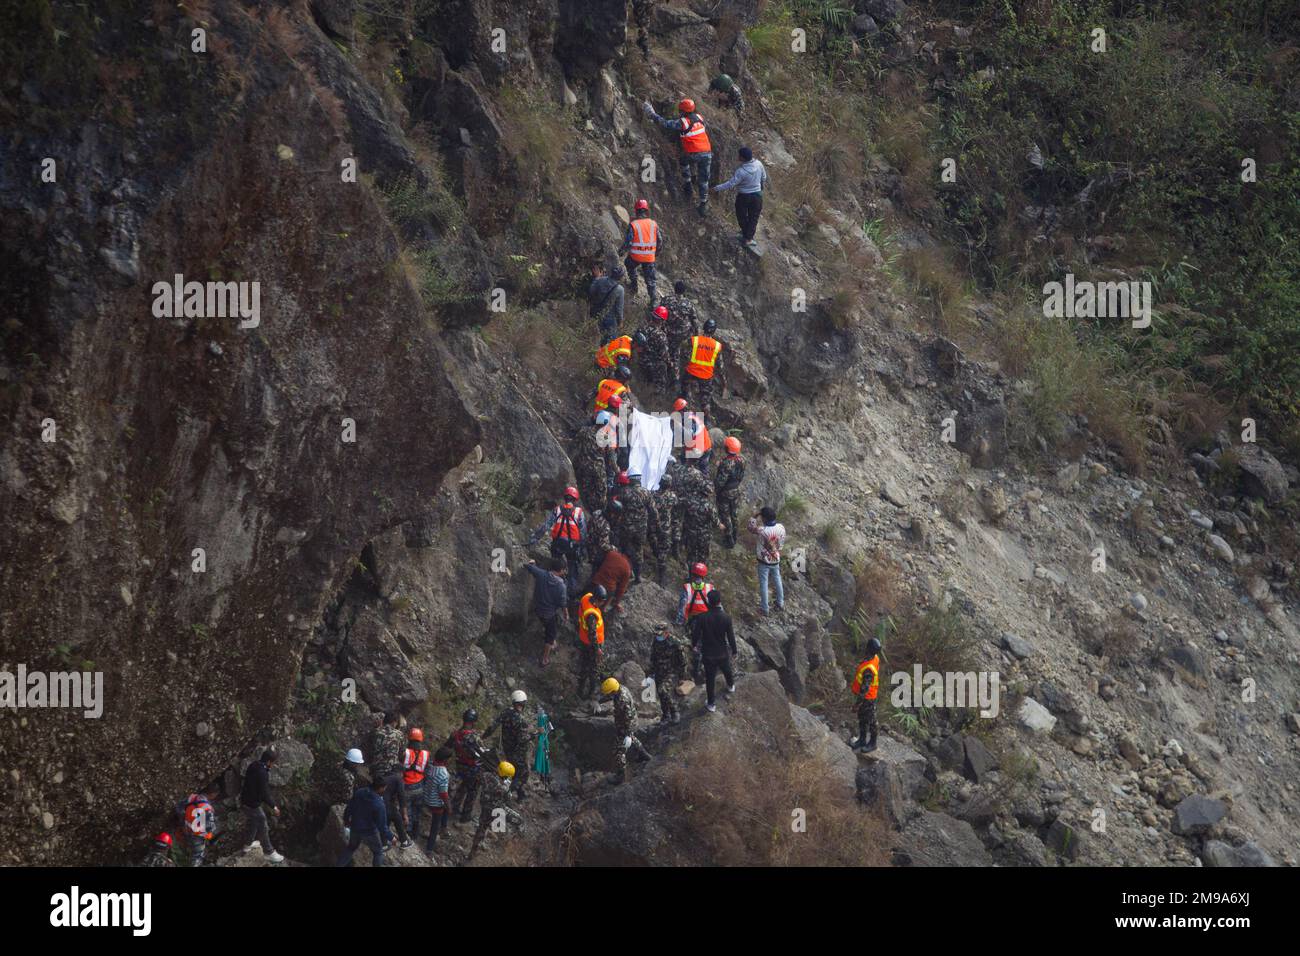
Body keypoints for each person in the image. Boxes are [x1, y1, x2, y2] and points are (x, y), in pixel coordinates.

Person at [643, 98, 713, 216]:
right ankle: (703, 204)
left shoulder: (683, 122)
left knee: (683, 161)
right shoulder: (700, 118)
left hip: (694, 153)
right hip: (707, 153)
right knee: (704, 180)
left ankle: (688, 184)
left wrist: (653, 114)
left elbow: (666, 124)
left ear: (683, 111)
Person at [527, 488, 587, 590]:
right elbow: (583, 532)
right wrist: (582, 548)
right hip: (572, 545)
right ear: (575, 499)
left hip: (558, 543)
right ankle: (570, 593)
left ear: (565, 498)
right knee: (572, 568)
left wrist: (535, 538)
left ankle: (552, 585)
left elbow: (546, 525)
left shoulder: (557, 509)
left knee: (555, 565)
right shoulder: (579, 512)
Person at [484, 690, 537, 802]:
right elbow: (522, 739)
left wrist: (482, 737)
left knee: (512, 771)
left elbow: (492, 727)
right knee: (522, 774)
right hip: (518, 752)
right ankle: (506, 794)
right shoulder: (521, 720)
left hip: (506, 749)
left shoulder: (505, 713)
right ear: (523, 703)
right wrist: (534, 734)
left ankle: (520, 795)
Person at [368, 711, 411, 844]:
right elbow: (403, 753)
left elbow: (371, 750)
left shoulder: (376, 732)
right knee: (389, 804)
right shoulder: (399, 735)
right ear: (395, 722)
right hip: (390, 773)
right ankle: (387, 838)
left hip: (376, 773)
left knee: (381, 802)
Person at [712, 146, 768, 248]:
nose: (738, 156)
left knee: (741, 215)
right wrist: (761, 187)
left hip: (744, 196)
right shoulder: (759, 164)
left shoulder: (741, 171)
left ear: (742, 158)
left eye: (739, 155)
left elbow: (731, 183)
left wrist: (716, 188)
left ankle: (746, 236)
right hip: (757, 196)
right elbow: (764, 177)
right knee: (753, 218)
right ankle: (748, 237)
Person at [691, 590, 737, 712]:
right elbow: (731, 637)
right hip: (722, 652)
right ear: (719, 602)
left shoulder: (702, 617)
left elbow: (695, 634)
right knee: (727, 669)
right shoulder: (726, 618)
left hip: (708, 653)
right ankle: (731, 685)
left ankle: (711, 704)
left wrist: (694, 645)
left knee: (710, 679)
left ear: (709, 602)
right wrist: (734, 651)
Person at [238, 748, 285, 863]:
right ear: (269, 761)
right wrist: (274, 807)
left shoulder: (254, 765)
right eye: (273, 763)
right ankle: (269, 852)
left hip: (245, 800)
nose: (273, 765)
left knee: (254, 822)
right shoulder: (262, 773)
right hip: (252, 804)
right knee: (263, 823)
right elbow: (264, 793)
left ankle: (247, 845)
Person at [337, 775, 393, 867]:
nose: (385, 789)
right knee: (378, 852)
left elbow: (349, 808)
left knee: (351, 848)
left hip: (355, 827)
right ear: (380, 788)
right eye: (384, 788)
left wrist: (346, 821)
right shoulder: (379, 804)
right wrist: (391, 837)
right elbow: (382, 826)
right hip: (370, 832)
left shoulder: (360, 792)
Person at [602, 678, 651, 782]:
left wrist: (627, 734)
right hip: (629, 721)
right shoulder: (620, 688)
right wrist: (598, 702)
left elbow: (627, 716)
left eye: (609, 693)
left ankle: (620, 776)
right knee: (632, 738)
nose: (608, 695)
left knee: (618, 750)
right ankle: (644, 755)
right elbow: (609, 697)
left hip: (626, 725)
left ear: (613, 691)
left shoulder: (622, 700)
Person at [469, 761, 521, 859]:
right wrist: (508, 788)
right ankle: (500, 840)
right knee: (514, 820)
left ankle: (473, 850)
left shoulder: (486, 775)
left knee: (482, 826)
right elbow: (508, 800)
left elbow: (479, 779)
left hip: (485, 806)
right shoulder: (504, 788)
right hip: (496, 809)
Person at [524, 557, 570, 667]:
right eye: (564, 570)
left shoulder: (541, 574)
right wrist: (566, 613)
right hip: (549, 614)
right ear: (561, 570)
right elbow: (563, 603)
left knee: (547, 624)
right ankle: (545, 659)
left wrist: (532, 563)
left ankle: (551, 642)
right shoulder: (561, 586)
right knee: (551, 635)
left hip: (537, 609)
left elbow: (528, 567)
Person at [620, 199, 663, 304]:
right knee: (651, 280)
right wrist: (656, 253)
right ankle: (653, 301)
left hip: (636, 256)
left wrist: (621, 251)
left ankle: (634, 285)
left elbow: (628, 242)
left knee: (628, 264)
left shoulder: (633, 224)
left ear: (636, 211)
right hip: (649, 257)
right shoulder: (653, 224)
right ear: (646, 211)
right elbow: (660, 240)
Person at [680, 319, 726, 417]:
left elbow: (683, 348)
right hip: (706, 376)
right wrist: (723, 382)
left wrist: (686, 361)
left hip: (691, 372)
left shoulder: (694, 340)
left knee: (685, 392)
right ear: (714, 331)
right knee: (705, 400)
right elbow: (720, 366)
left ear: (704, 328)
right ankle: (706, 420)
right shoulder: (717, 346)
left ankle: (683, 410)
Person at [447, 710, 485, 824]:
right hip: (472, 768)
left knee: (462, 787)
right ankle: (465, 815)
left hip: (460, 766)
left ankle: (454, 808)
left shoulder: (455, 734)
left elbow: (447, 746)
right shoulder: (475, 737)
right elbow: (483, 753)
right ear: (474, 722)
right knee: (472, 792)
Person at [747, 505, 786, 615]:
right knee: (777, 580)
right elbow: (781, 544)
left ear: (763, 518)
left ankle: (765, 608)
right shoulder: (781, 527)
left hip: (764, 560)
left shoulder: (762, 530)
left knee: (764, 583)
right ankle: (780, 602)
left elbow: (750, 528)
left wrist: (754, 517)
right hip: (776, 557)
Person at [648, 622, 688, 725]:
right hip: (659, 671)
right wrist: (651, 672)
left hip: (672, 671)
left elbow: (683, 661)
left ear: (666, 633)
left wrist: (682, 676)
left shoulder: (675, 643)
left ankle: (674, 712)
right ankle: (665, 715)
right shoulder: (656, 641)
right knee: (660, 694)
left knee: (663, 690)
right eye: (656, 634)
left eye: (659, 634)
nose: (657, 636)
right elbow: (653, 657)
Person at [416, 746, 452, 856]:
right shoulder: (444, 774)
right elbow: (443, 794)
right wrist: (449, 807)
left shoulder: (430, 766)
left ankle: (414, 834)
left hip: (425, 797)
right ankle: (429, 849)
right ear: (445, 760)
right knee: (435, 825)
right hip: (435, 803)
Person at [575, 586, 608, 699]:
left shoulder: (586, 597)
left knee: (584, 664)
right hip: (592, 644)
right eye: (602, 602)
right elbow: (592, 633)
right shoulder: (592, 615)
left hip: (583, 639)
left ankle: (580, 691)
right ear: (598, 600)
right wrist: (597, 649)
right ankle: (591, 693)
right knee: (593, 668)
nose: (603, 604)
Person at [658, 280, 699, 371]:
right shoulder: (688, 304)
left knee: (665, 349)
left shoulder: (666, 300)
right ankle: (675, 375)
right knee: (675, 351)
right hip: (681, 334)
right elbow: (694, 321)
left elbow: (659, 314)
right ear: (684, 291)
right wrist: (696, 336)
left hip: (667, 331)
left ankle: (665, 364)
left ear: (674, 289)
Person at [178, 783, 220, 866]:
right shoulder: (207, 808)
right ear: (212, 794)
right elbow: (209, 828)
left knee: (184, 851)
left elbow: (179, 807)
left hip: (185, 830)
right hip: (197, 838)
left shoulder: (192, 797)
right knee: (197, 857)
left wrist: (184, 818)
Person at [851, 638, 882, 752]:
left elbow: (864, 689)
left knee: (871, 720)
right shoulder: (875, 658)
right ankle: (862, 740)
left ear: (868, 649)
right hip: (867, 696)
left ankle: (873, 743)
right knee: (862, 719)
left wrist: (857, 704)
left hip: (868, 698)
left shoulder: (868, 669)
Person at [714, 436, 745, 547]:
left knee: (725, 515)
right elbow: (741, 476)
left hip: (725, 493)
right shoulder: (742, 459)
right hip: (736, 490)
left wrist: (715, 491)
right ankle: (735, 535)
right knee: (734, 514)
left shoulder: (726, 463)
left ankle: (729, 539)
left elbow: (720, 482)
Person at [649, 471, 679, 584]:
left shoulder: (652, 495)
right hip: (665, 528)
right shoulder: (672, 497)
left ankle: (656, 554)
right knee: (663, 551)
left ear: (660, 483)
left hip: (652, 526)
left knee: (654, 544)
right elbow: (676, 506)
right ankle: (661, 577)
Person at [400, 728, 429, 836]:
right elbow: (426, 769)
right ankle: (415, 832)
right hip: (420, 786)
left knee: (407, 810)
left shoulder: (405, 752)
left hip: (407, 785)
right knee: (417, 809)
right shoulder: (425, 754)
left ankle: (408, 831)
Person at [588, 261, 626, 344]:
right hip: (609, 317)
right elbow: (619, 309)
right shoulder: (620, 290)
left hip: (595, 311)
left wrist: (596, 278)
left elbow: (591, 291)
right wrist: (620, 321)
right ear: (620, 277)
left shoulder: (600, 280)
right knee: (610, 342)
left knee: (597, 334)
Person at [587, 547, 632, 614]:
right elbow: (621, 589)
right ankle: (602, 610)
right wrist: (617, 603)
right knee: (601, 607)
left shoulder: (611, 554)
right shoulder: (627, 569)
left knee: (589, 600)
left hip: (596, 581)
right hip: (608, 588)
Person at [676, 399, 712, 471]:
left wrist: (679, 427)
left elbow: (690, 434)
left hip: (698, 448)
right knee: (703, 468)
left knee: (688, 466)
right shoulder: (692, 415)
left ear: (681, 411)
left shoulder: (689, 420)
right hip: (706, 445)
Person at [533, 707, 555, 792]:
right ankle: (543, 777)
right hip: (543, 741)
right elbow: (543, 730)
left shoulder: (542, 718)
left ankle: (544, 778)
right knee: (543, 758)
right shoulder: (543, 718)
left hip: (543, 741)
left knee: (543, 757)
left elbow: (543, 730)